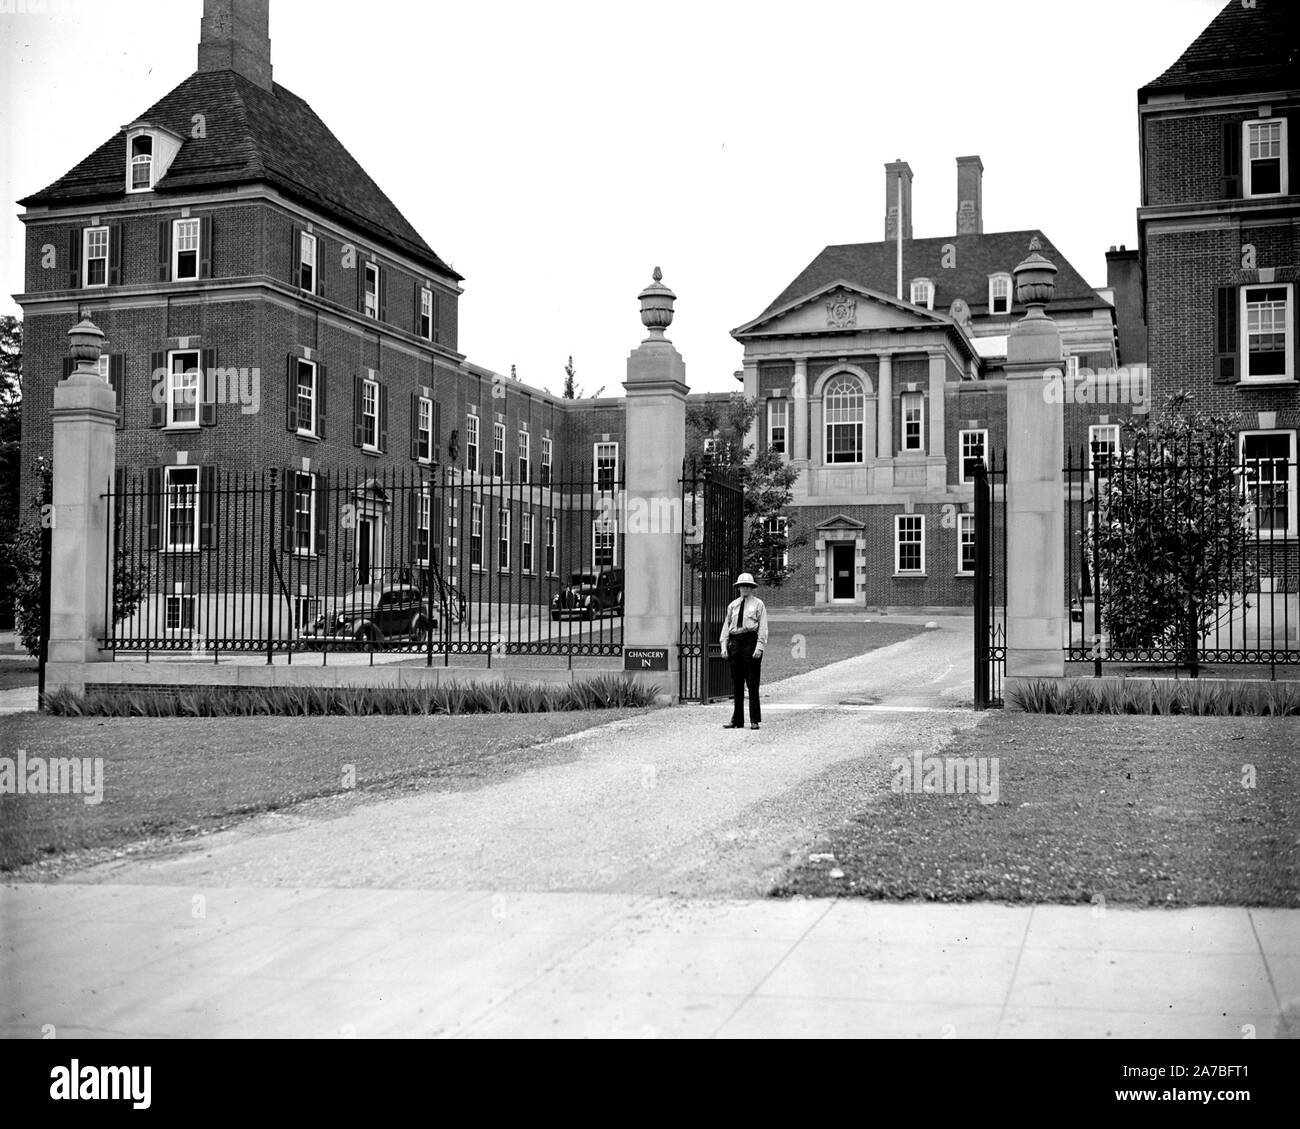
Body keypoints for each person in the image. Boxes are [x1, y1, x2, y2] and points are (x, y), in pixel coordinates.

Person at [719, 572, 768, 730]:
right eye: (742, 586)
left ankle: (754, 719)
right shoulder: (733, 605)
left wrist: (759, 647)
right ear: (738, 588)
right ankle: (737, 720)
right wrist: (724, 646)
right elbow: (726, 626)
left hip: (750, 641)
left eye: (748, 586)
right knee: (737, 684)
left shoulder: (758, 604)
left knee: (752, 684)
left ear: (752, 588)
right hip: (736, 643)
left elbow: (763, 627)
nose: (745, 589)